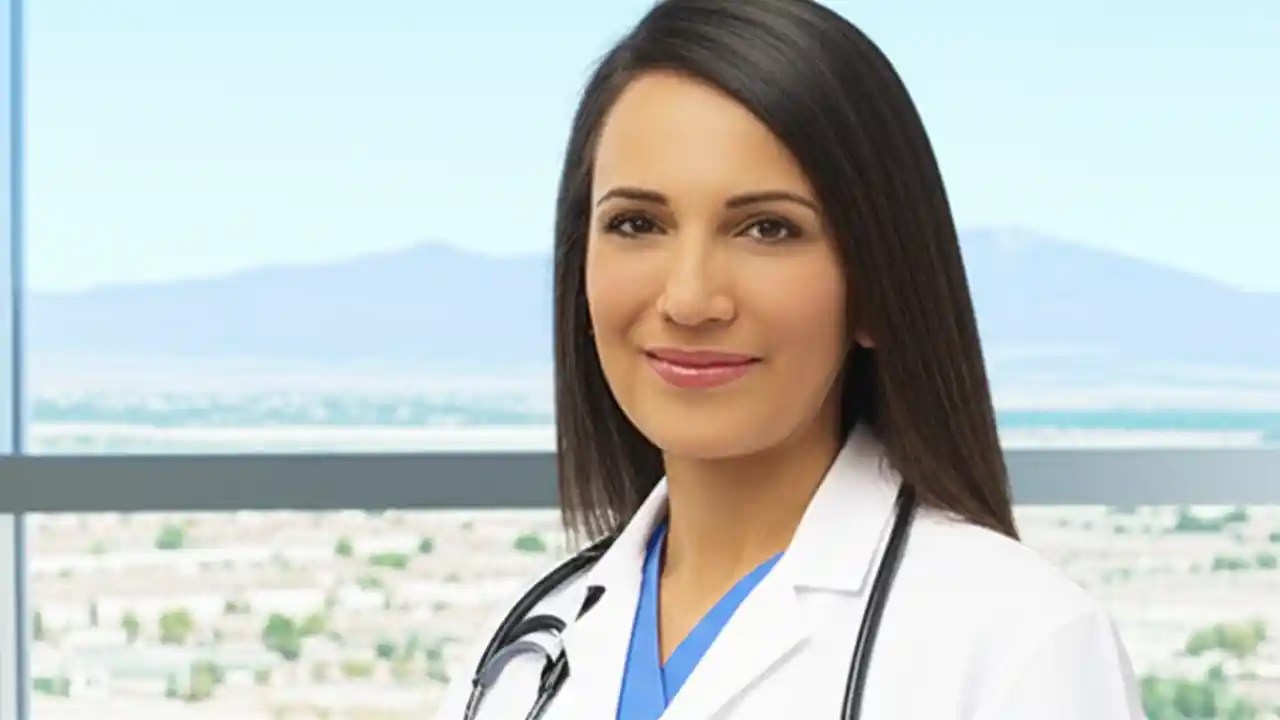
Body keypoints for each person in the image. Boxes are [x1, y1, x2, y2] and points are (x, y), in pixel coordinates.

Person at [437, 0, 1145, 718]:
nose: (690, 298)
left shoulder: (1020, 643)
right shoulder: (521, 659)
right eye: (637, 224)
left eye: (768, 229)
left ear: (876, 286)